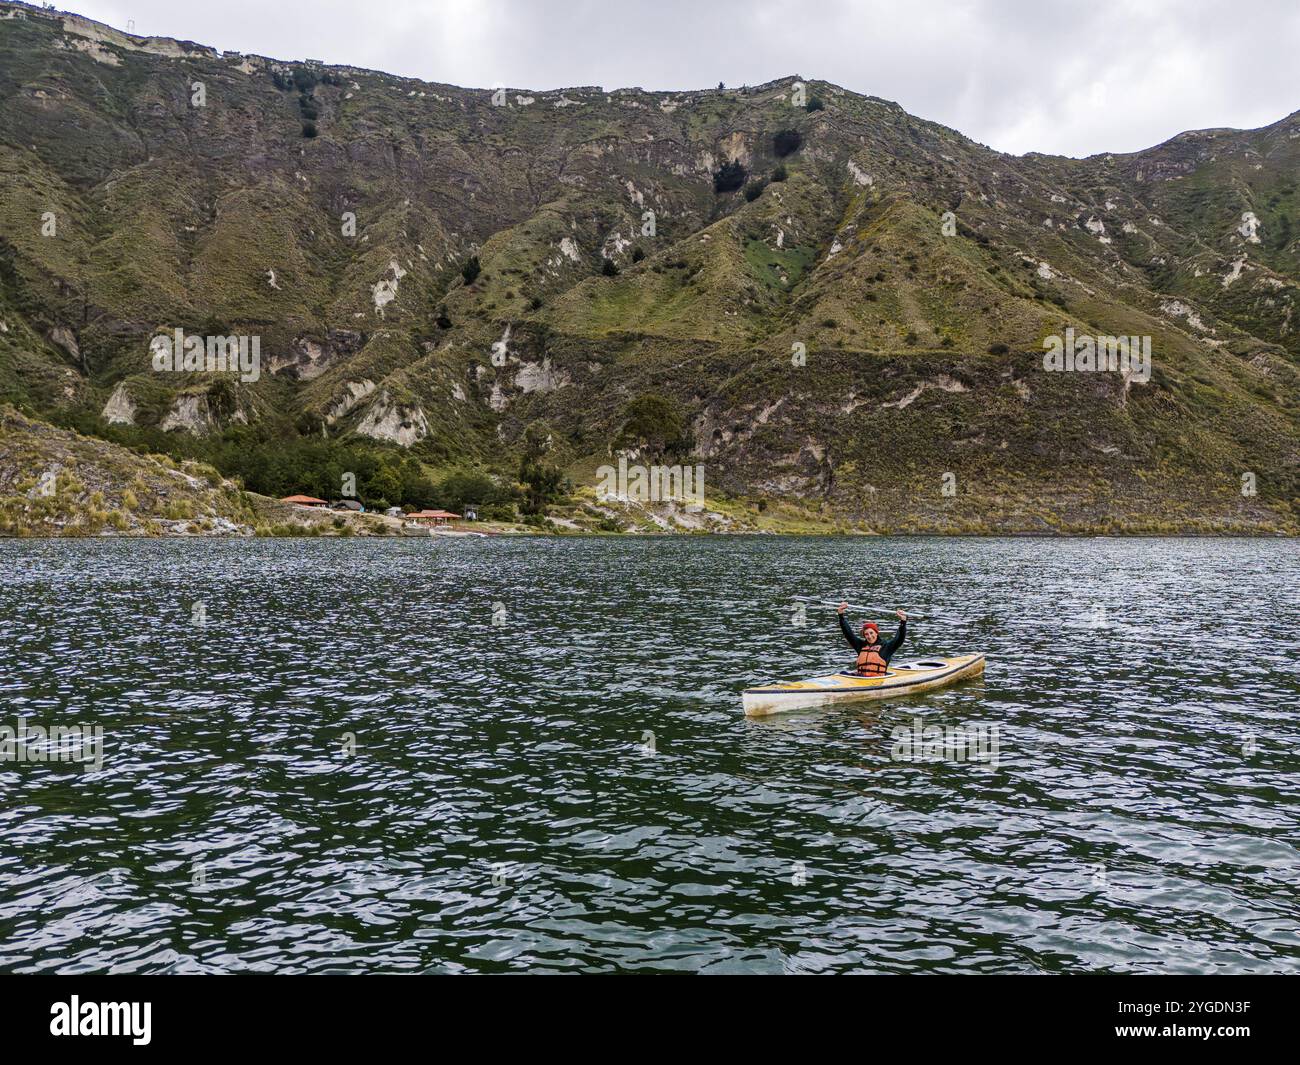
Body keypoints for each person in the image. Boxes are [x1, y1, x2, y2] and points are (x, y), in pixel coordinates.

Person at [837, 603, 907, 676]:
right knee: (843, 673)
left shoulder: (886, 646)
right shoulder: (860, 645)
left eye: (871, 633)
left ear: (876, 633)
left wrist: (903, 622)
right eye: (866, 634)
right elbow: (848, 633)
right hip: (860, 679)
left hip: (878, 681)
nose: (869, 636)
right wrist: (840, 615)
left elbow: (899, 638)